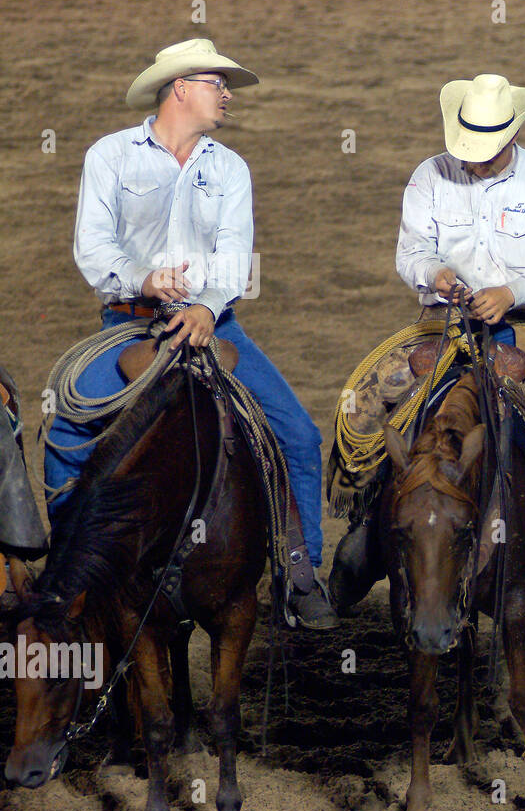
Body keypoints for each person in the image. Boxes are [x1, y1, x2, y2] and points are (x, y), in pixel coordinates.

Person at [48, 38, 336, 628]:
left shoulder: (229, 168)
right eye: (216, 83)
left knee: (300, 438)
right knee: (65, 430)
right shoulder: (110, 156)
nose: (227, 94)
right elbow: (93, 246)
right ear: (180, 87)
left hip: (213, 324)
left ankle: (300, 570)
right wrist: (142, 278)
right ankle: (69, 571)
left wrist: (206, 305)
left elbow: (234, 256)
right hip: (129, 324)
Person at [329, 73, 525, 605]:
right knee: (366, 397)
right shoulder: (428, 176)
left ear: (512, 135)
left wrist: (511, 291)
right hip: (442, 320)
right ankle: (367, 519)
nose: (474, 158)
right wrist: (436, 274)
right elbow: (412, 251)